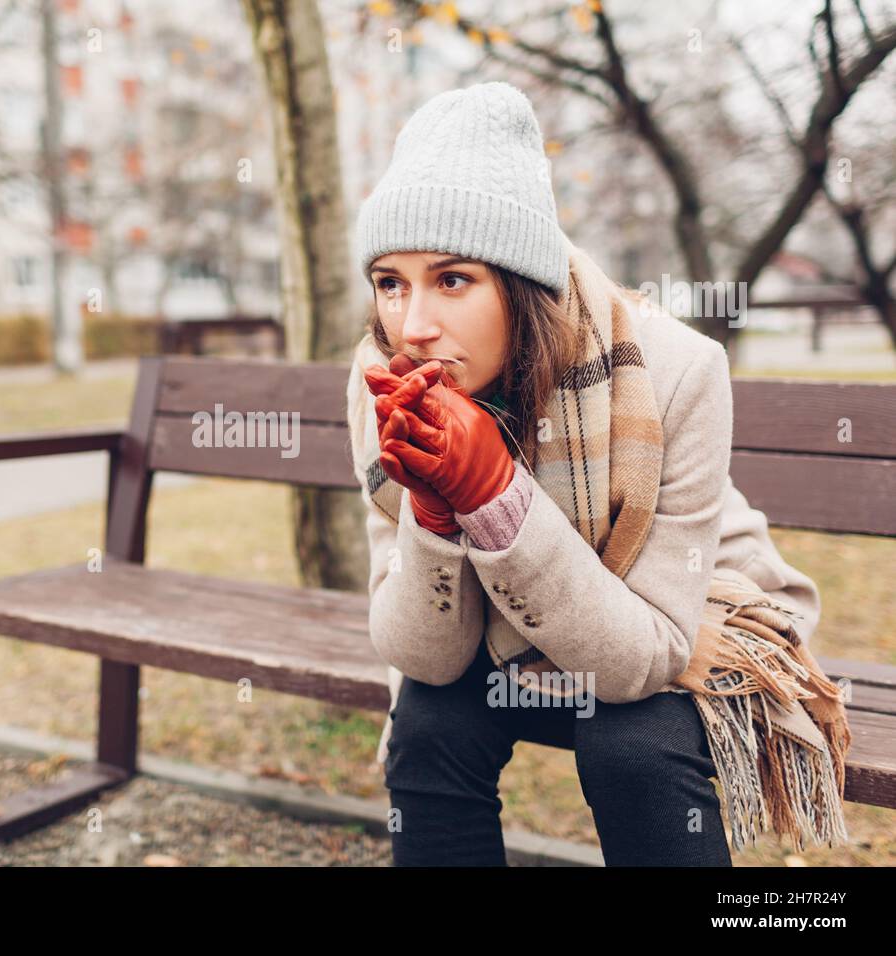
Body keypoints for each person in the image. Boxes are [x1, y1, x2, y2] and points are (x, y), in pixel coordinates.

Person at [345, 81, 824, 867]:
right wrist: (434, 515)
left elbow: (644, 655)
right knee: (428, 727)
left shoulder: (678, 372)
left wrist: (495, 499)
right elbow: (422, 654)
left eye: (453, 279)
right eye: (391, 282)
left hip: (679, 613)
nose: (414, 326)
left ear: (521, 283)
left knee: (632, 748)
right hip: (502, 635)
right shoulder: (382, 379)